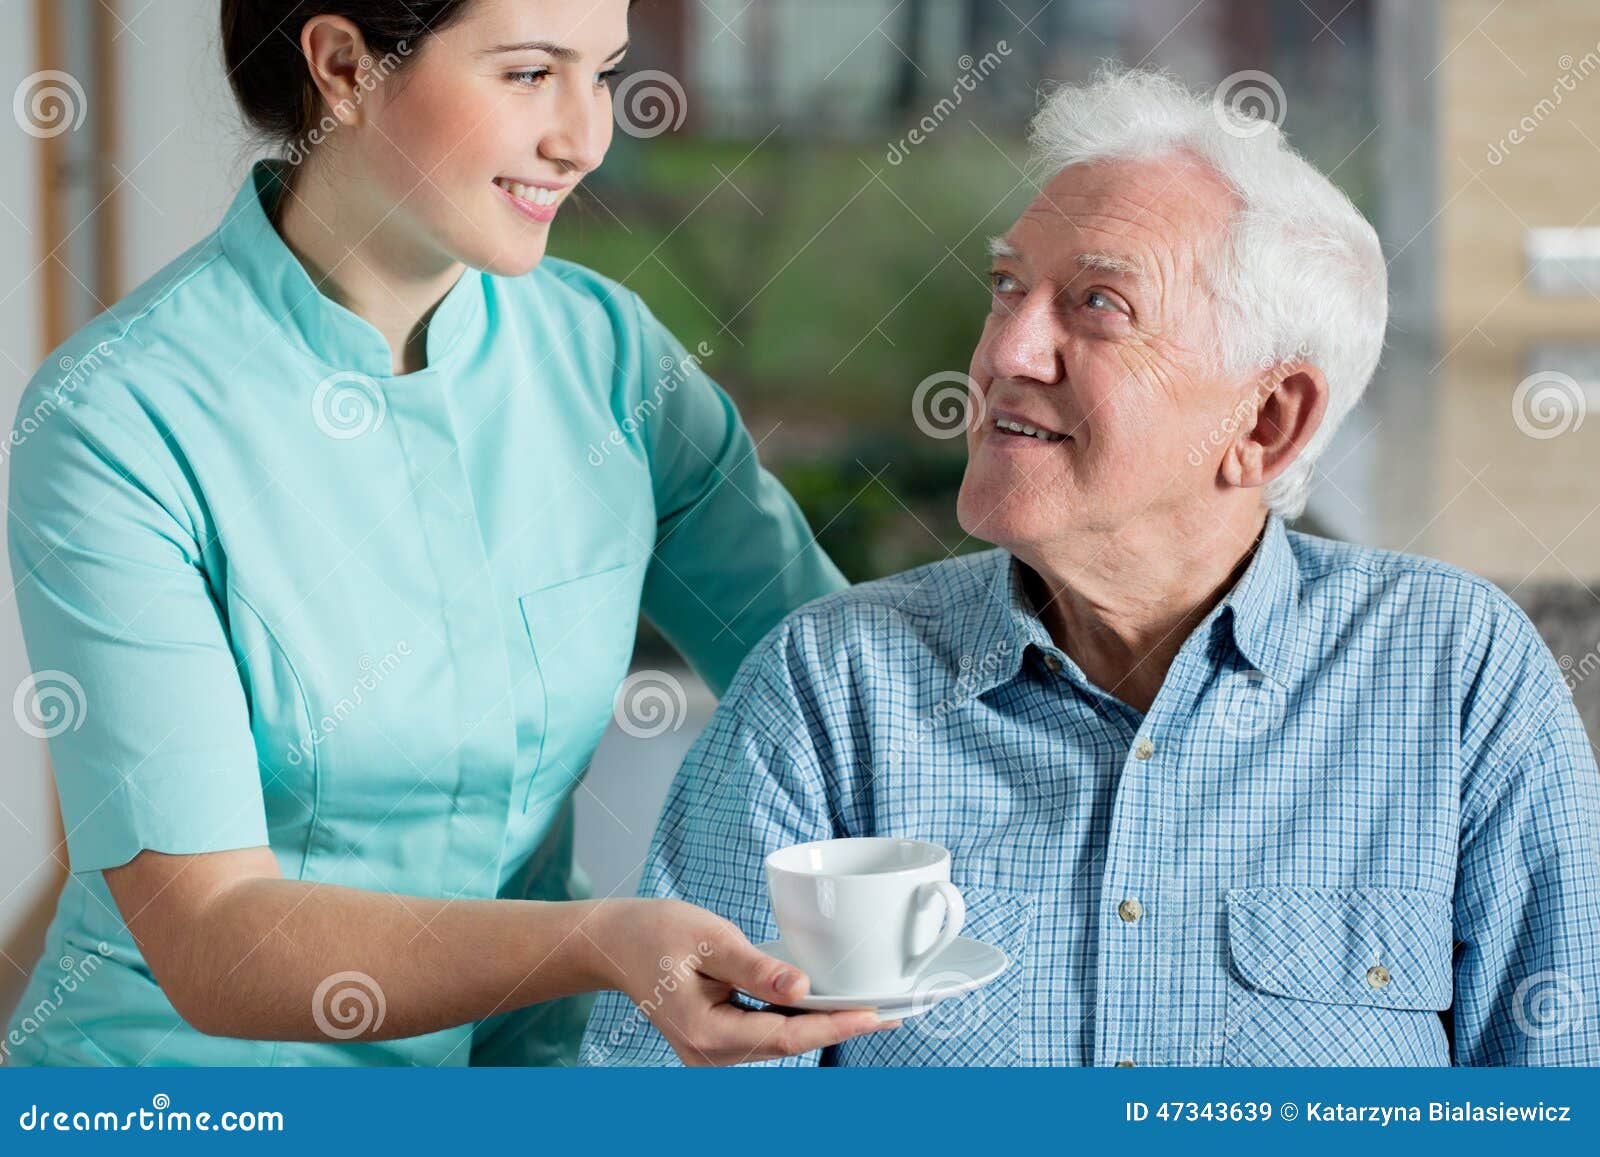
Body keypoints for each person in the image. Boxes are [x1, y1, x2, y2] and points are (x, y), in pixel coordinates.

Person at [581, 66, 1600, 1067]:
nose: (1005, 353)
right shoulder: (828, 685)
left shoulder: (1457, 673)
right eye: (1006, 288)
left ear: (1267, 421)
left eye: (1099, 303)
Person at [3, 0, 896, 1067]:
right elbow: (213, 934)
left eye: (605, 74)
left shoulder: (609, 360)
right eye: (528, 74)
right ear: (345, 67)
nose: (586, 137)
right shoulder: (118, 418)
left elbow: (849, 692)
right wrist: (596, 942)